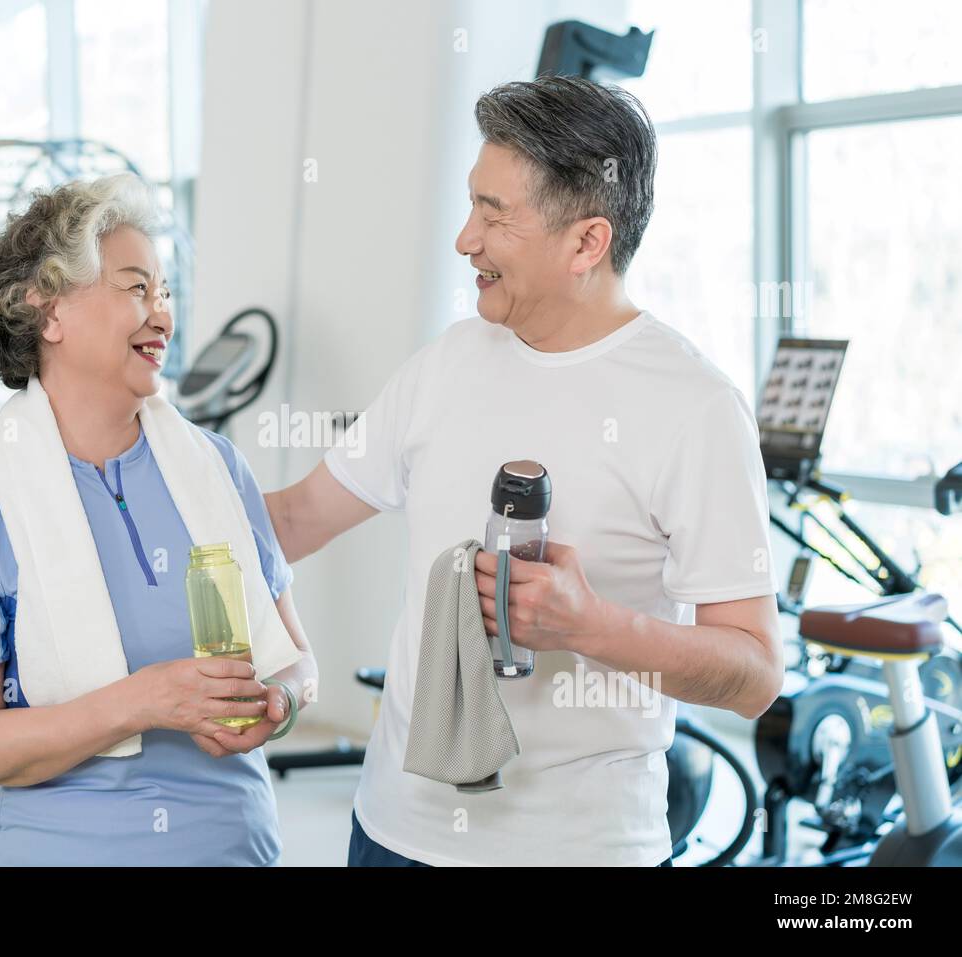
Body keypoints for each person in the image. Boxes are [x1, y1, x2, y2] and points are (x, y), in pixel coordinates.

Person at [264, 76, 782, 866]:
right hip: (393, 834)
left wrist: (592, 627)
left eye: (494, 215)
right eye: (472, 205)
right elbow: (296, 520)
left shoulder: (696, 407)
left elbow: (753, 672)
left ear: (586, 242)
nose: (465, 239)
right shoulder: (446, 363)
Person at [0, 173, 317, 866]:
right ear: (48, 312)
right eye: (136, 288)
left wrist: (278, 704)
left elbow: (299, 661)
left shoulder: (217, 468)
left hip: (236, 847)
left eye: (164, 292)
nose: (161, 313)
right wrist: (139, 702)